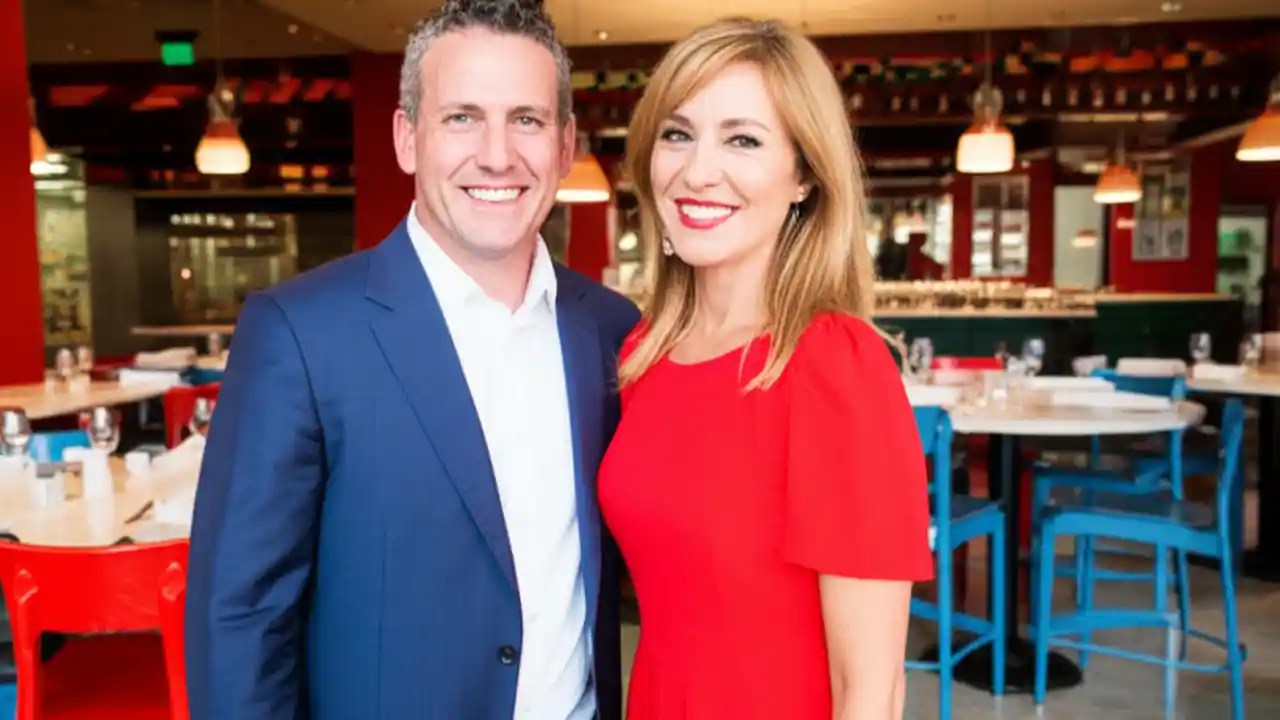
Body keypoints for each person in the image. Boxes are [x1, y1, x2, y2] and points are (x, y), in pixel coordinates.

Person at [184, 1, 637, 718]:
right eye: (462, 117)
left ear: (563, 142)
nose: (497, 153)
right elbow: (240, 617)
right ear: (407, 138)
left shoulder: (613, 332)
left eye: (527, 119)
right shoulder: (299, 334)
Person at [597, 17, 933, 720]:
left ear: (804, 176)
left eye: (742, 140)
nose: (697, 171)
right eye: (677, 133)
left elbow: (872, 689)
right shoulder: (643, 355)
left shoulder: (835, 365)